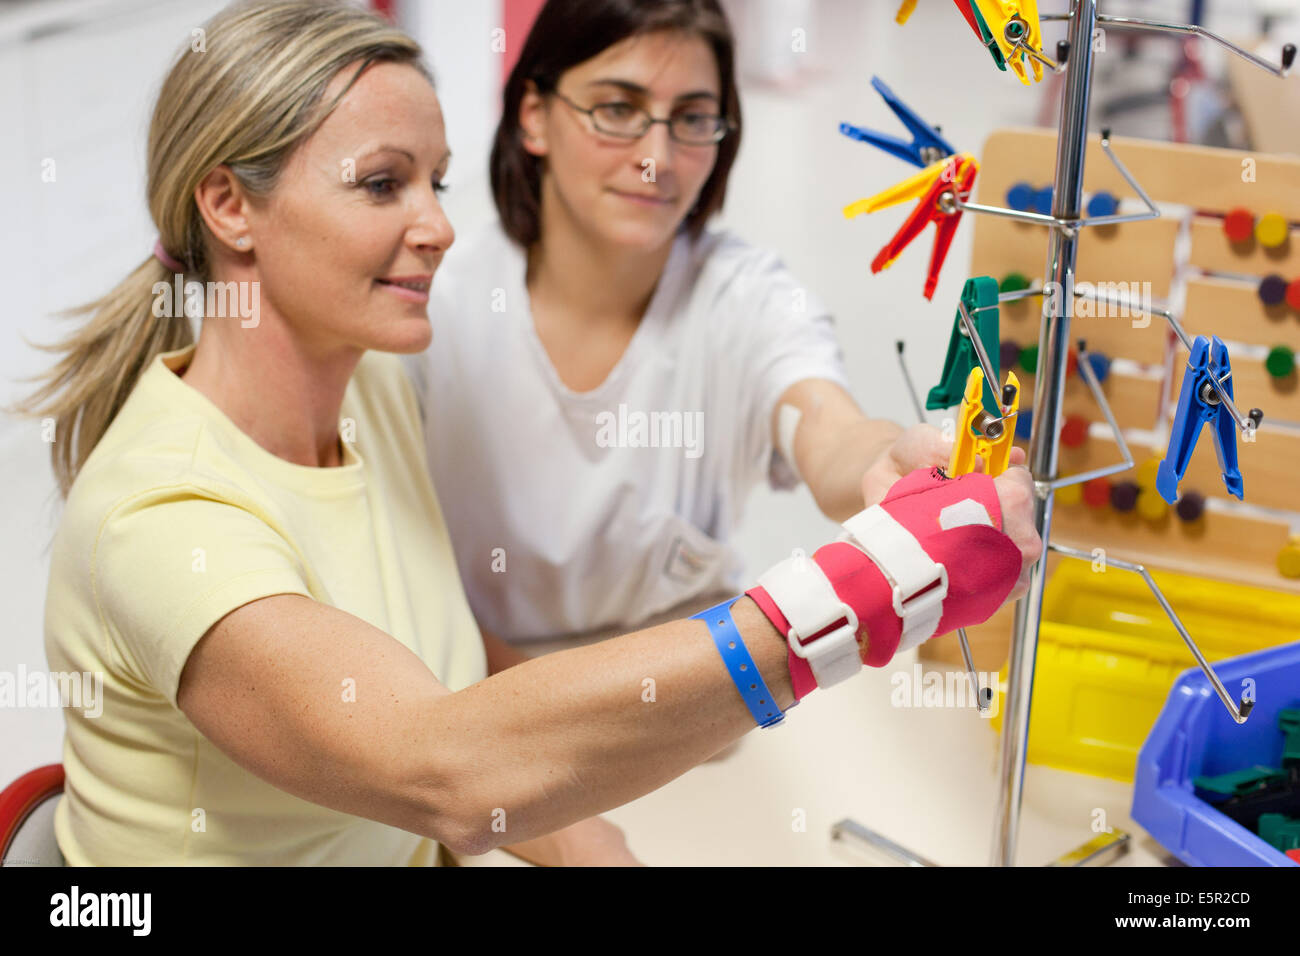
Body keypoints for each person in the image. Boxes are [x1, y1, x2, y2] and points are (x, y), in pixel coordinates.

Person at [13, 0, 1040, 866]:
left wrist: (580, 835)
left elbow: (446, 664)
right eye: (383, 183)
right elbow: (442, 769)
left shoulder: (364, 385)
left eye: (436, 181)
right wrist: (852, 595)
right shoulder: (163, 516)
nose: (440, 225)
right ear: (229, 204)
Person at [403, 0, 1017, 657]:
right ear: (533, 114)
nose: (657, 159)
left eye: (693, 118)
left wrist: (888, 463)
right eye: (616, 109)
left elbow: (825, 426)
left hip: (676, 684)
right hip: (477, 675)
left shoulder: (746, 299)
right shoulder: (439, 299)